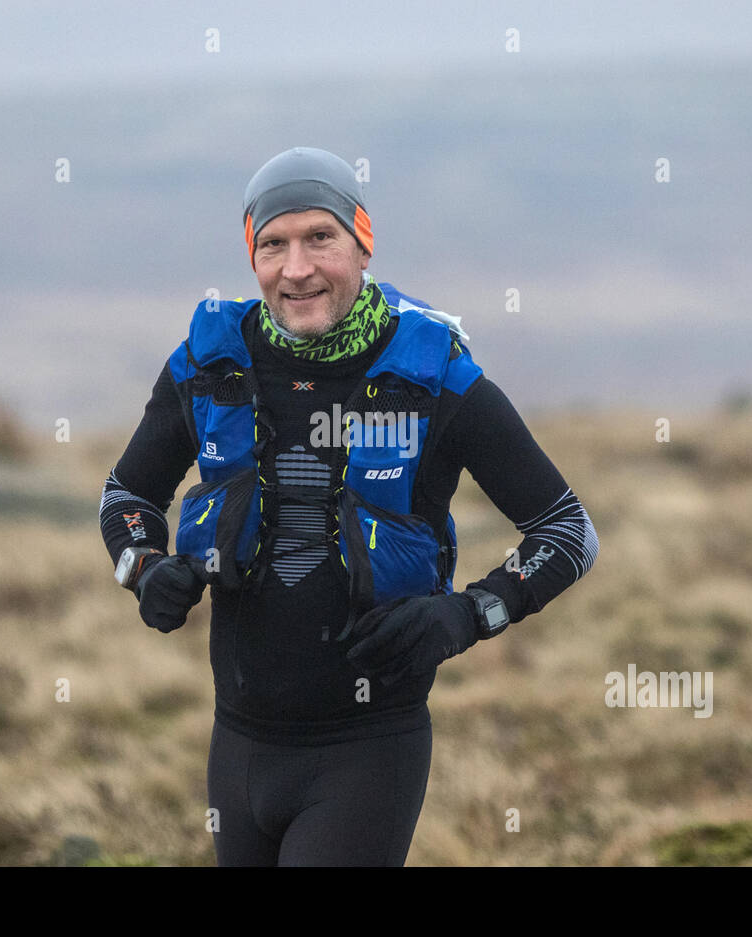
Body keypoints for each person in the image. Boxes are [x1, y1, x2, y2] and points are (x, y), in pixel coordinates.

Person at [99, 146, 598, 866]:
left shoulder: (436, 378)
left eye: (320, 238)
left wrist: (470, 613)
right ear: (252, 257)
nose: (296, 268)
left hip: (366, 751)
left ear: (363, 241)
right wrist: (141, 568)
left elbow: (567, 531)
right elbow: (128, 495)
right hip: (236, 745)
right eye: (273, 244)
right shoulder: (208, 367)